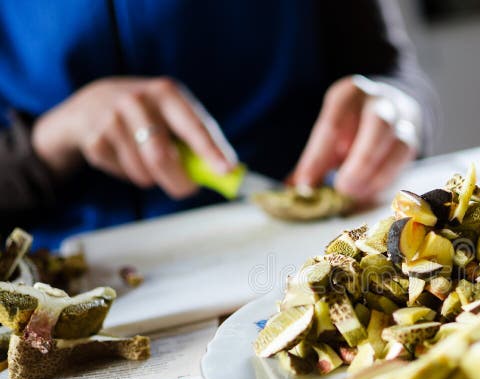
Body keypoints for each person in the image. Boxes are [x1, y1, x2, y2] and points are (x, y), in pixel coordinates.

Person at [0, 1, 439, 249]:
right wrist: (50, 141)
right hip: (69, 284)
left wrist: (399, 111)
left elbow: (393, 73)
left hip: (303, 250)